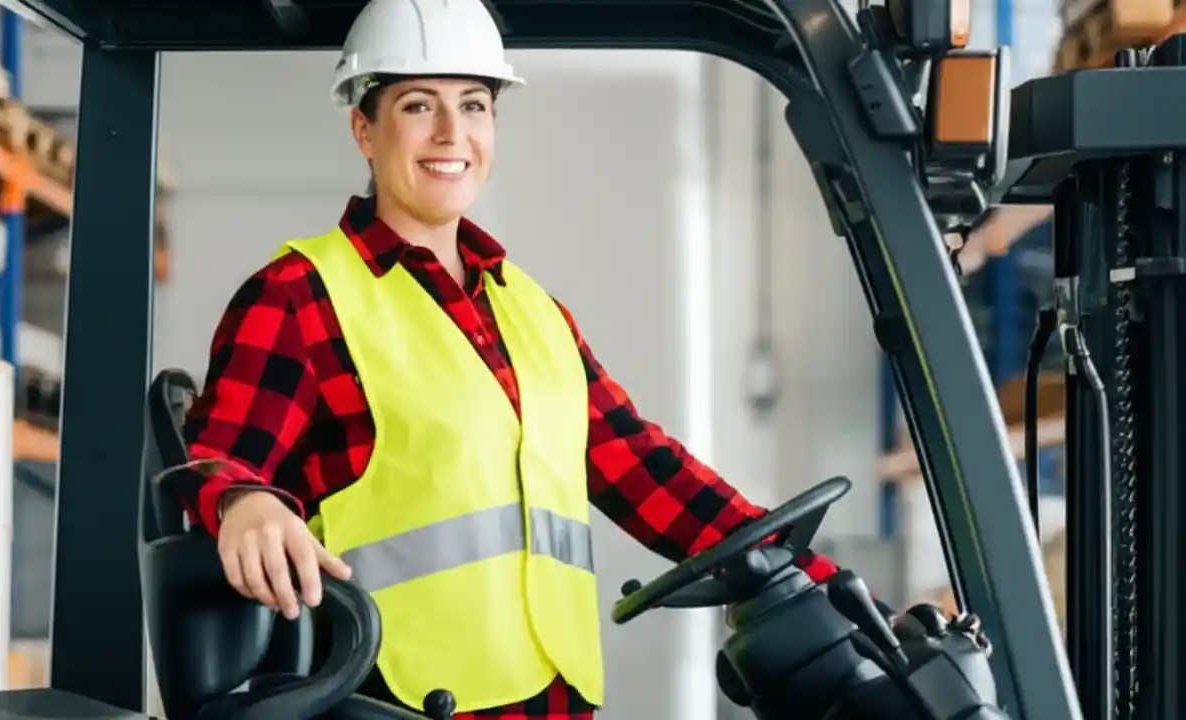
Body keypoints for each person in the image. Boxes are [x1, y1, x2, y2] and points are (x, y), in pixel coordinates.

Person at [171, 0, 841, 717]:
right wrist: (244, 502)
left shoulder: (530, 308)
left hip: (552, 694)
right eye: (418, 105)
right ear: (364, 128)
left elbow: (641, 466)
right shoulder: (302, 295)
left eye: (475, 105)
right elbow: (222, 459)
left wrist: (808, 571)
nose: (451, 133)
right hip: (394, 699)